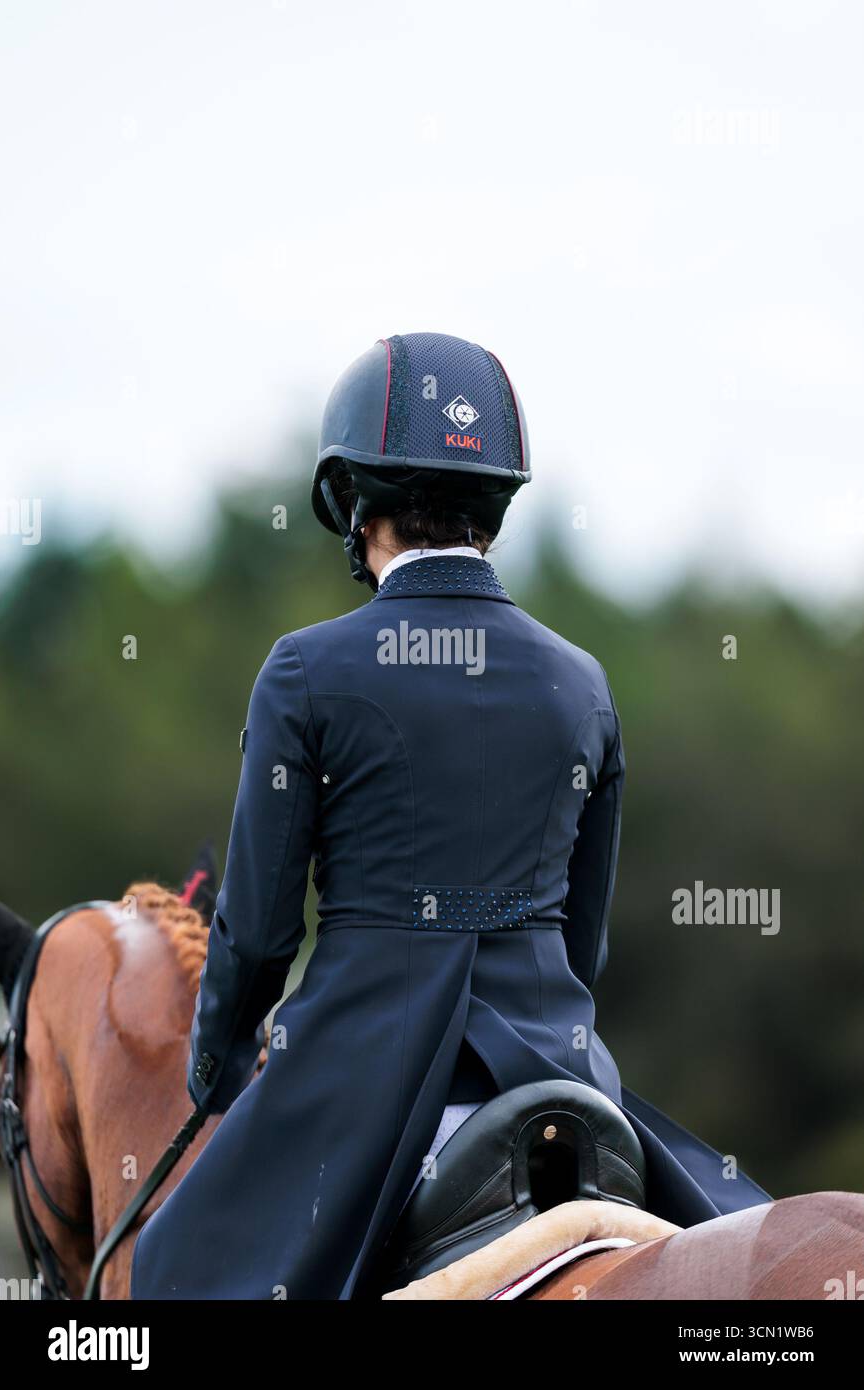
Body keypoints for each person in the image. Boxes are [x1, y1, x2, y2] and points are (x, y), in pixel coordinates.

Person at [131, 332, 768, 1300]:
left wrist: (216, 1070)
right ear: (495, 507)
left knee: (173, 1268)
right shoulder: (579, 681)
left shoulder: (306, 669)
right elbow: (578, 942)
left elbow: (259, 932)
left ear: (351, 502)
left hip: (364, 1076)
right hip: (561, 1077)